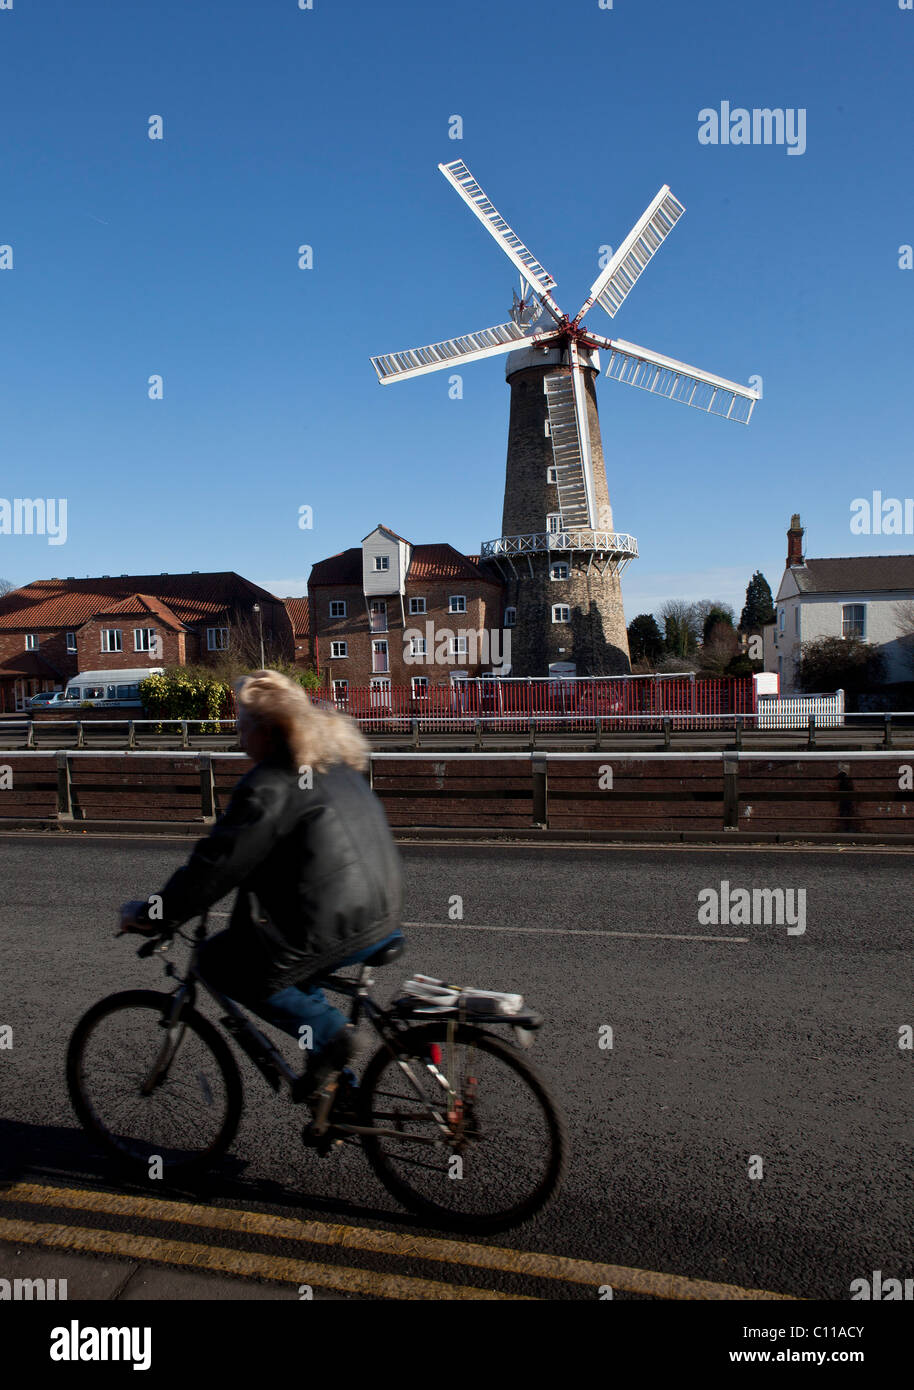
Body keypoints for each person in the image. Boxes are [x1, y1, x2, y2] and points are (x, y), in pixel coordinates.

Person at [120, 669, 403, 1101]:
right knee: (294, 979)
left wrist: (152, 915)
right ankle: (338, 1090)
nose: (237, 734)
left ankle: (330, 1036)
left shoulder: (269, 783)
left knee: (220, 963)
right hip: (380, 913)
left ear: (267, 729)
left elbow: (214, 867)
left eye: (242, 723)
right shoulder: (333, 762)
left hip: (333, 923)